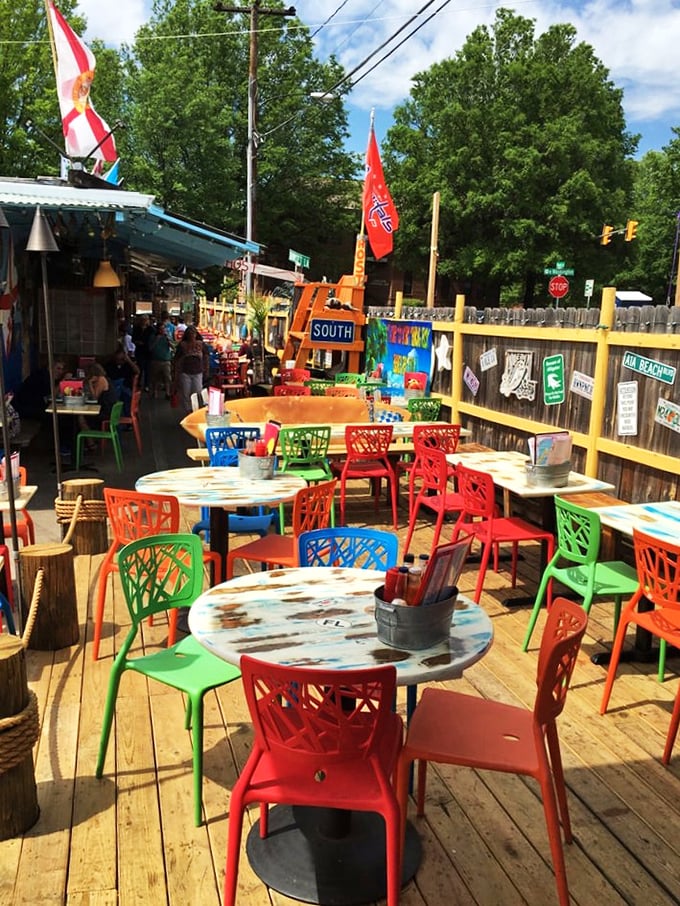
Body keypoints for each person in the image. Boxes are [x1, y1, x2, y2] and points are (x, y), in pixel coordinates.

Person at [172, 326, 209, 414]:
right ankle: (188, 411)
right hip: (185, 372)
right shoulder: (182, 345)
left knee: (197, 392)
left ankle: (195, 410)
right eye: (190, 334)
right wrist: (176, 373)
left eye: (193, 334)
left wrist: (206, 369)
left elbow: (206, 357)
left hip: (198, 372)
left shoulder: (201, 344)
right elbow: (177, 359)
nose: (192, 336)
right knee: (186, 393)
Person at [78, 363, 118, 442]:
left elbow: (95, 398)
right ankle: (88, 441)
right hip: (108, 410)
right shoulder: (105, 379)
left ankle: (90, 443)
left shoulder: (101, 380)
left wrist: (89, 383)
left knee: (81, 417)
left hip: (106, 412)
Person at [104, 345, 139, 416]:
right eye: (118, 359)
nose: (120, 361)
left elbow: (137, 371)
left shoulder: (127, 365)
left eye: (122, 359)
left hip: (126, 387)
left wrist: (129, 361)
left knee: (125, 395)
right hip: (114, 387)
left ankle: (123, 418)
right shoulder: (110, 365)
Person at [148, 322, 174, 399]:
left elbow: (173, 347)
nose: (162, 330)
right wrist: (156, 339)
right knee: (155, 377)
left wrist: (168, 340)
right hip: (156, 360)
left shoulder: (167, 337)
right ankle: (155, 392)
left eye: (163, 329)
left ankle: (167, 392)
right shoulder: (153, 337)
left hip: (166, 360)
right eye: (160, 329)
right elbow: (150, 348)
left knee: (167, 377)